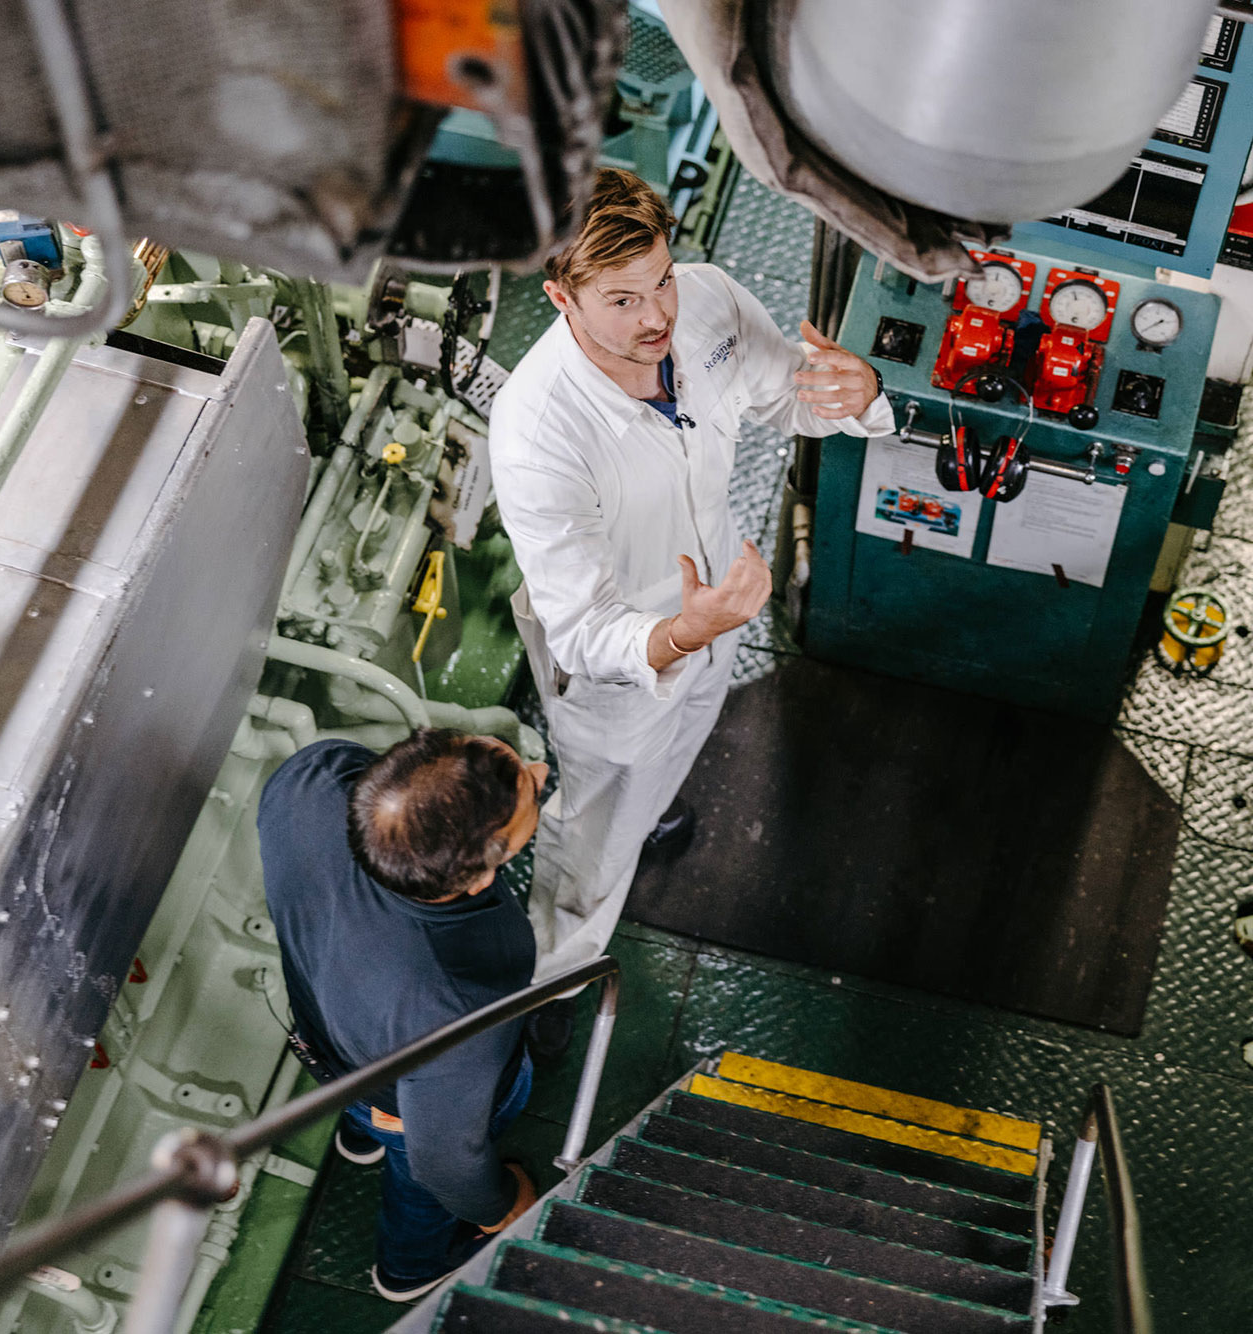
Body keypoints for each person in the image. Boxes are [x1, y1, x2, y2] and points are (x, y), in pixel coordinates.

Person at [491, 168, 893, 996]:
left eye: (663, 280)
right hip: (623, 660)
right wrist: (680, 633)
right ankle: (551, 985)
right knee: (594, 840)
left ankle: (652, 808)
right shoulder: (538, 430)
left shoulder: (705, 301)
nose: (660, 316)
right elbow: (581, 628)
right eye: (624, 300)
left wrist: (859, 391)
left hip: (716, 609)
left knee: (673, 753)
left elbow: (792, 398)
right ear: (561, 294)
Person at [257, 729, 550, 1302]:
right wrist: (500, 1206)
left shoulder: (309, 778)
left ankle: (357, 1136)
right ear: (480, 875)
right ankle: (409, 1267)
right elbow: (445, 1162)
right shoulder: (456, 1004)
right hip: (406, 1098)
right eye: (531, 798)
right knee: (418, 1173)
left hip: (326, 1030)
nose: (539, 771)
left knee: (368, 1103)